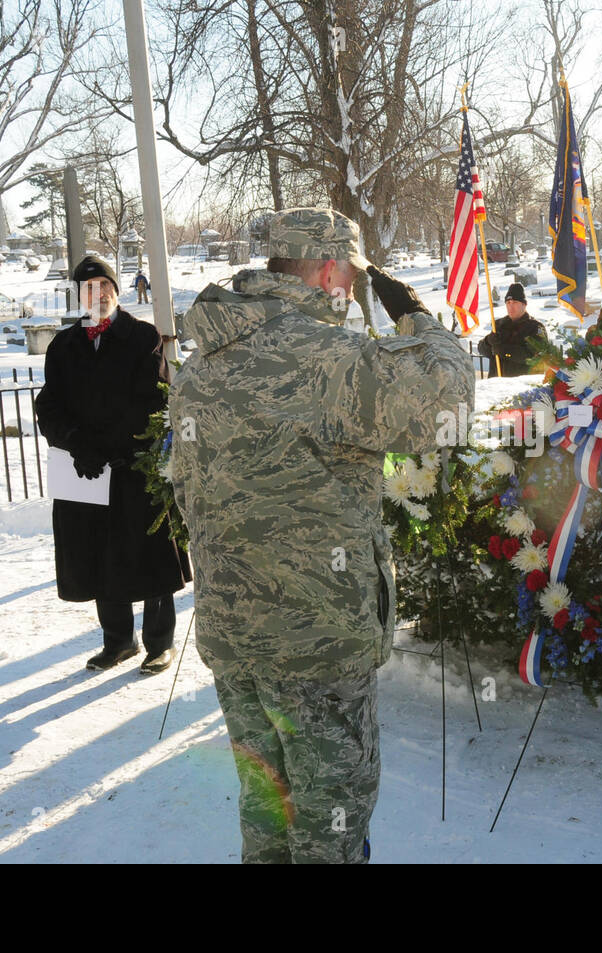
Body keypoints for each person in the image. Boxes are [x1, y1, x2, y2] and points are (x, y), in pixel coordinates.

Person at [169, 207, 474, 863]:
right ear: (332, 270)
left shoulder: (201, 365)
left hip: (235, 638)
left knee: (267, 813)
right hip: (319, 644)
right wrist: (419, 317)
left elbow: (185, 489)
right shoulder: (335, 362)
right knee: (329, 829)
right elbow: (447, 405)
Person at [34, 255, 191, 674]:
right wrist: (77, 444)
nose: (97, 295)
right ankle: (118, 640)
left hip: (132, 465)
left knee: (150, 555)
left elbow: (151, 398)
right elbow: (49, 405)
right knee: (97, 554)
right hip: (84, 471)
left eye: (104, 286)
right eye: (88, 288)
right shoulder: (64, 346)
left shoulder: (142, 337)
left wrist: (109, 447)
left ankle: (160, 642)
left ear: (115, 291)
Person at [477, 282, 547, 376]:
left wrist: (505, 351)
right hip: (496, 384)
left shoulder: (535, 327)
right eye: (508, 302)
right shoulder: (498, 325)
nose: (511, 306)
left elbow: (535, 357)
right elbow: (481, 349)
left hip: (522, 384)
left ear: (524, 305)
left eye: (515, 302)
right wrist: (488, 341)